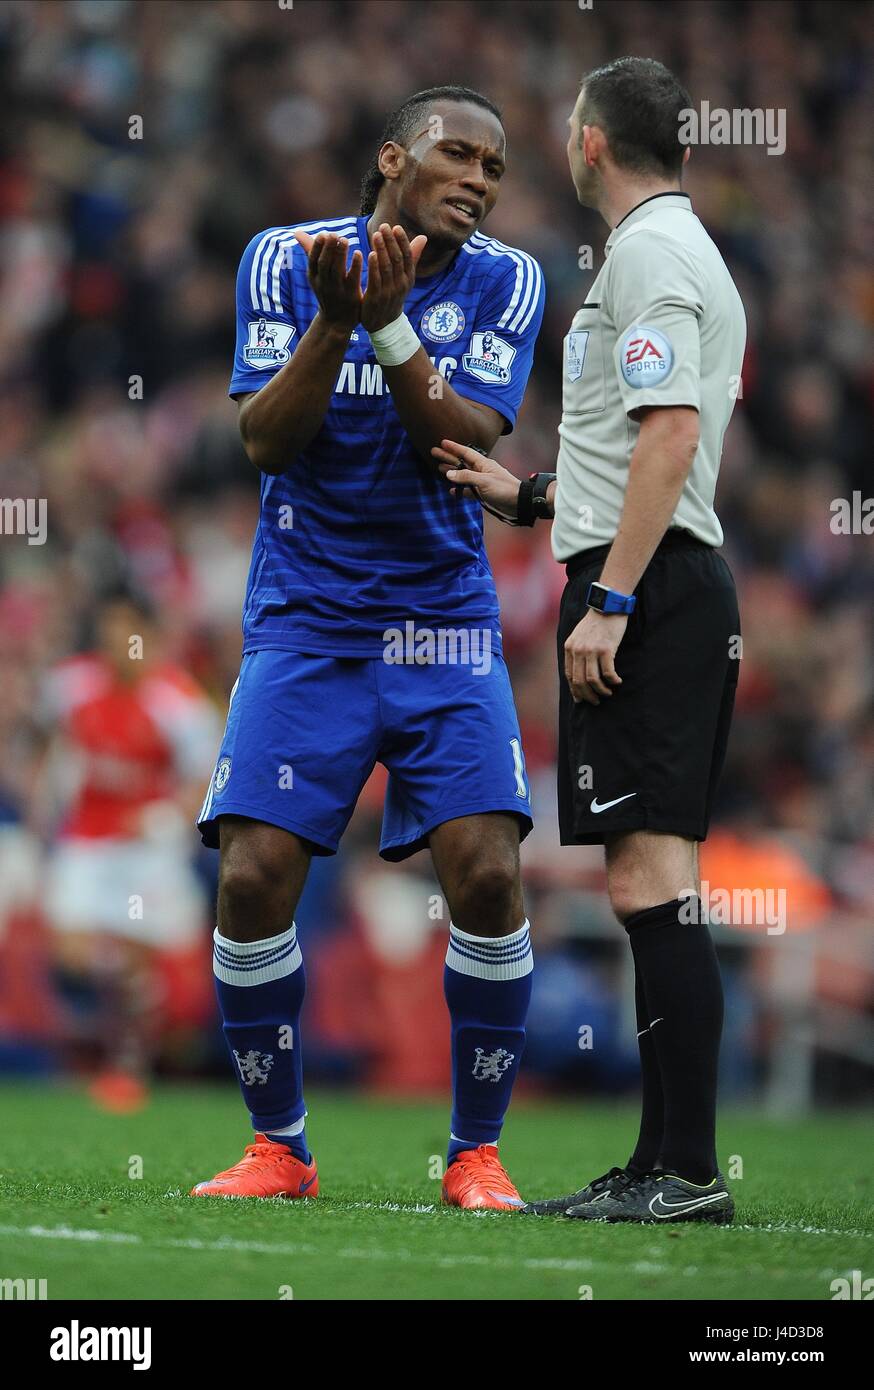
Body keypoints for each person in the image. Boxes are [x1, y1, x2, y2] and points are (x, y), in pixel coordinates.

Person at [191, 87, 545, 1209]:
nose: (480, 180)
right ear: (393, 156)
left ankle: (476, 1154)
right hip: (306, 619)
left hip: (444, 620)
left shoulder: (508, 277)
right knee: (250, 878)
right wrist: (339, 319)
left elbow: (465, 438)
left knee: (486, 871)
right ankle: (280, 1147)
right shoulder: (282, 259)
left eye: (494, 166)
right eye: (458, 153)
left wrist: (386, 326)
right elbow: (264, 439)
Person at [434, 57, 746, 1224]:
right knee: (641, 884)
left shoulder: (652, 253)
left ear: (590, 141)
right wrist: (529, 500)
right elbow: (642, 450)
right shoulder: (674, 248)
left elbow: (668, 437)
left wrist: (609, 596)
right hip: (656, 571)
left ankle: (685, 1171)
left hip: (651, 590)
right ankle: (662, 1162)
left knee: (652, 881)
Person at [41, 591, 219, 1110]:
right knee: (72, 950)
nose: (116, 645)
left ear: (147, 637)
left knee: (144, 951)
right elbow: (50, 740)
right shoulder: (71, 685)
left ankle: (127, 1064)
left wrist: (165, 817)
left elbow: (207, 776)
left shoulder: (179, 705)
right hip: (86, 840)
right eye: (108, 634)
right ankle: (132, 1021)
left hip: (146, 847)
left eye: (126, 634)